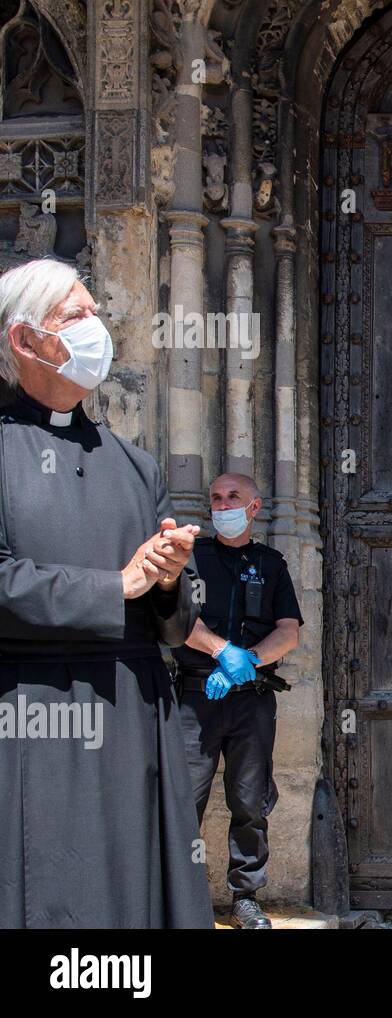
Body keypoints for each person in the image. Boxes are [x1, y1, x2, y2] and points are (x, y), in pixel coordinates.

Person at [0, 257, 213, 927]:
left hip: (132, 713)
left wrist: (169, 579)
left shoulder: (134, 464)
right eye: (77, 316)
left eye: (97, 311)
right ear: (25, 340)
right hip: (35, 715)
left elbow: (174, 623)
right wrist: (111, 586)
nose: (98, 328)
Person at [173, 472, 302, 929]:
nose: (222, 504)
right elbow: (176, 621)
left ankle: (245, 898)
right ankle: (179, 899)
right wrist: (220, 652)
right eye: (215, 498)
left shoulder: (271, 564)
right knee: (184, 799)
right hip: (195, 695)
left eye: (233, 497)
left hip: (251, 697)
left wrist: (245, 660)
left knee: (250, 801)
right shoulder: (193, 560)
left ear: (254, 507)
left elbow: (289, 631)